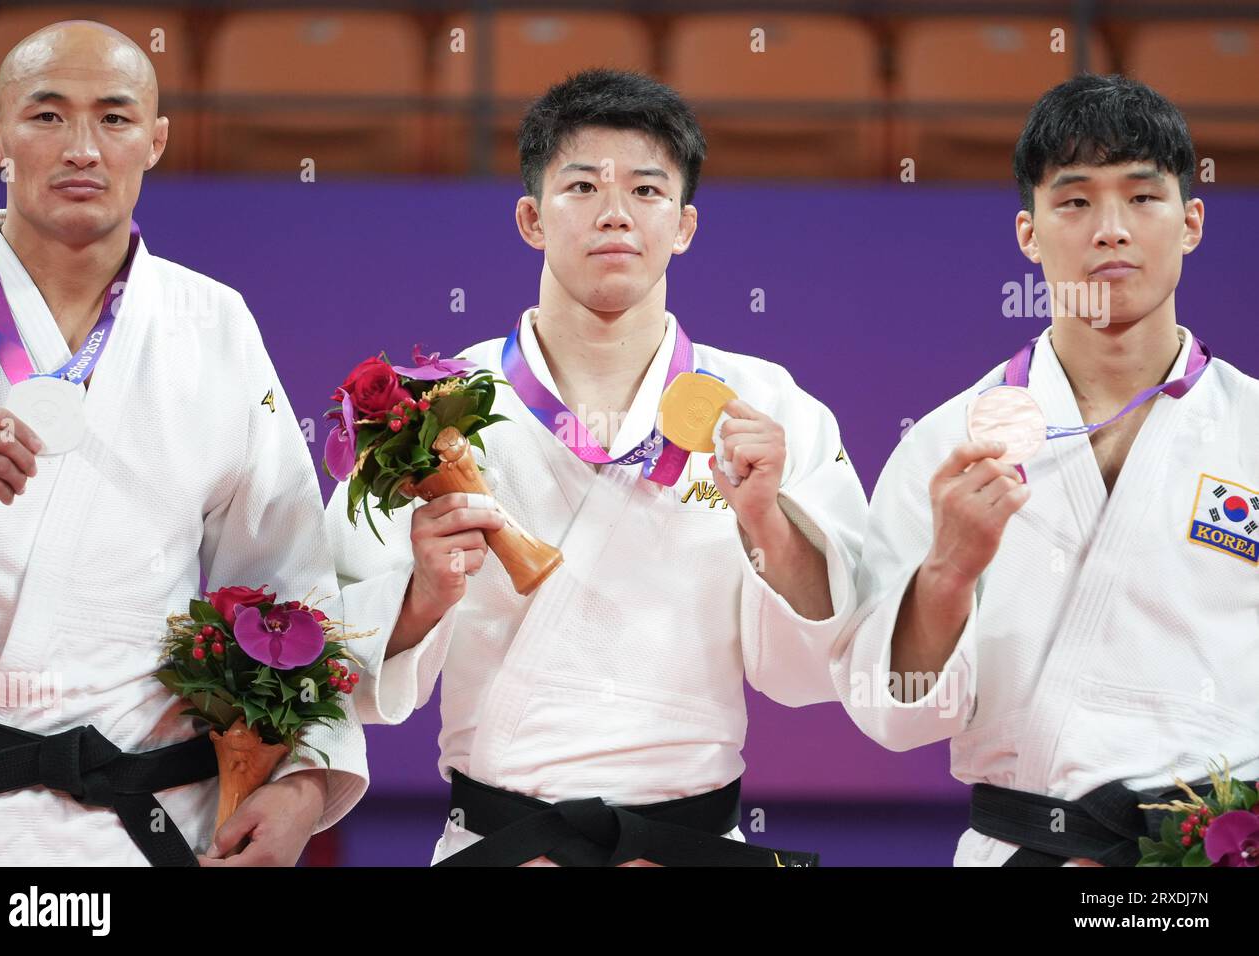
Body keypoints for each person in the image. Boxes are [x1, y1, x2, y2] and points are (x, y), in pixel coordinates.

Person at [328, 68, 868, 866]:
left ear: (684, 225)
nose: (615, 213)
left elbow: (838, 648)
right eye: (581, 185)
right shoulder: (432, 410)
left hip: (691, 844)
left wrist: (766, 521)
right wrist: (423, 593)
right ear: (530, 217)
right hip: (506, 845)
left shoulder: (762, 405)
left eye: (647, 191)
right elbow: (334, 639)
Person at [0, 20, 367, 866]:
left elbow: (287, 581)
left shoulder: (212, 321)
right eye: (46, 117)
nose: (82, 148)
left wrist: (300, 783)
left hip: (148, 814)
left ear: (156, 140)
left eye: (113, 118)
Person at [831, 74, 1258, 866]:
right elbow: (887, 717)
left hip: (1220, 855)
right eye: (1075, 202)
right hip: (1028, 849)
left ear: (1192, 222)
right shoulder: (945, 444)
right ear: (1029, 235)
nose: (1111, 231)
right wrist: (948, 574)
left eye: (1142, 198)